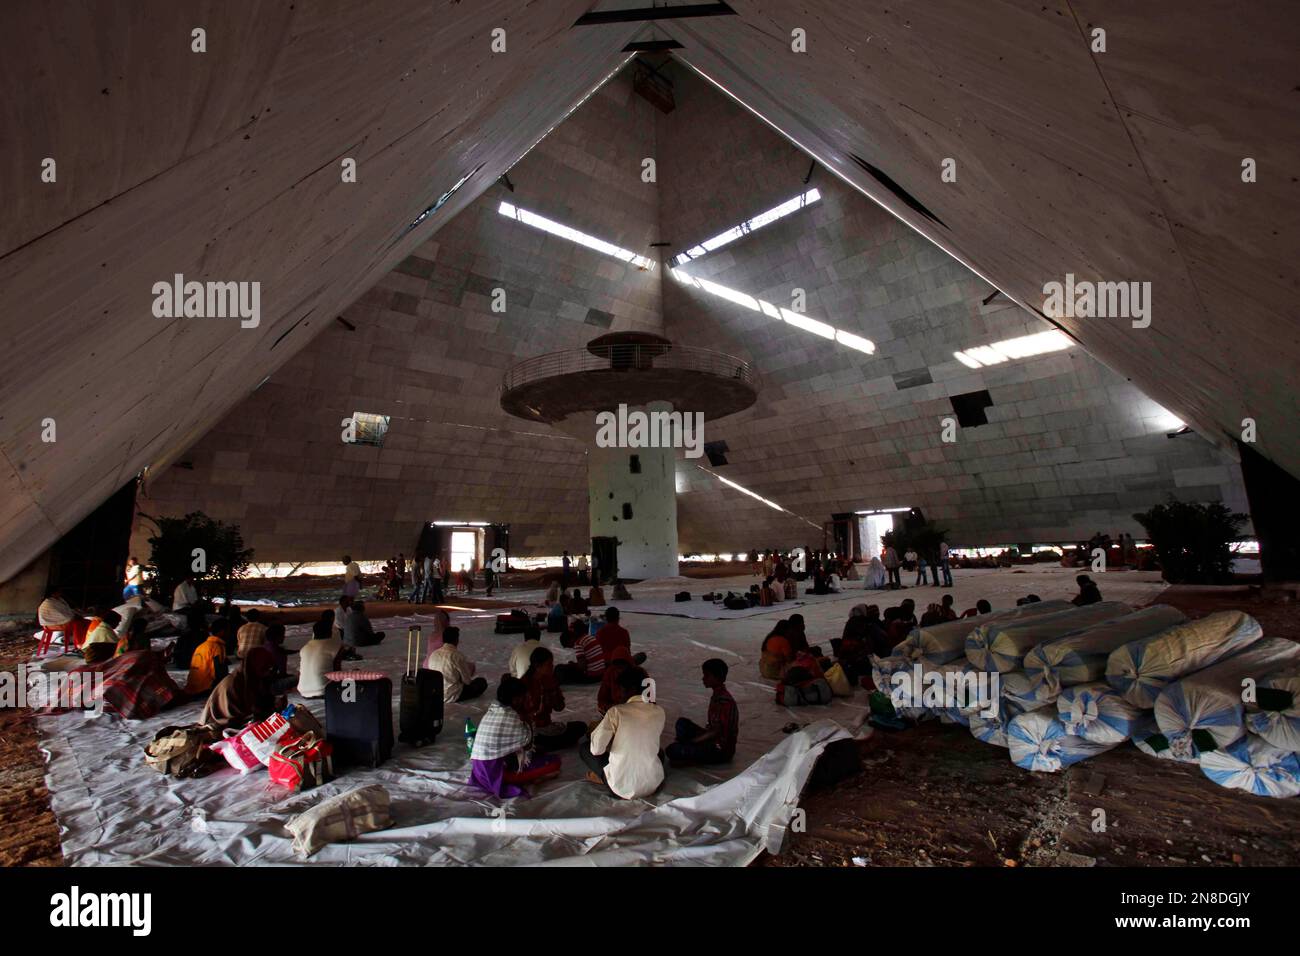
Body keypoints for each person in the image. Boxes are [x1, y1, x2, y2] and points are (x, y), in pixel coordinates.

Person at [581, 667, 666, 799]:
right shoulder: (659, 711)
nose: (619, 694)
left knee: (585, 748)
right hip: (652, 785)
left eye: (621, 689)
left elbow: (596, 750)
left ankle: (603, 777)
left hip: (620, 789)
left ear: (631, 689)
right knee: (659, 753)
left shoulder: (616, 712)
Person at [468, 678, 561, 798]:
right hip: (496, 773)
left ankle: (529, 775)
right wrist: (528, 717)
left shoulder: (494, 710)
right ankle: (528, 778)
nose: (529, 700)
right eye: (526, 697)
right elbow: (527, 745)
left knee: (541, 753)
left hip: (480, 771)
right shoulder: (511, 718)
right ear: (516, 700)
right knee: (555, 763)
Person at [667, 659, 739, 767]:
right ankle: (687, 750)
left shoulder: (724, 702)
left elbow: (716, 732)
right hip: (713, 740)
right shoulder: (717, 695)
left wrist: (692, 742)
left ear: (717, 678)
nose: (703, 679)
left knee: (672, 750)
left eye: (707, 675)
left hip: (720, 749)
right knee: (682, 723)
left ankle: (689, 754)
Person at [519, 647, 586, 751]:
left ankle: (544, 746)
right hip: (530, 731)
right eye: (549, 665)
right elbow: (519, 715)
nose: (552, 667)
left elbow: (560, 707)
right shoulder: (524, 684)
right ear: (537, 666)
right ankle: (543, 745)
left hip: (547, 728)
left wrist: (553, 694)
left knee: (581, 727)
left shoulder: (550, 680)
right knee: (533, 740)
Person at [201, 646, 283, 730]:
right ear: (257, 666)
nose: (267, 672)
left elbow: (261, 700)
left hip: (239, 719)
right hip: (221, 724)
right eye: (265, 668)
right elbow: (231, 718)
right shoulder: (233, 684)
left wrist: (275, 704)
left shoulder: (253, 677)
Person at [425, 627, 487, 702]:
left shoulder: (434, 654)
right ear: (456, 640)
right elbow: (467, 681)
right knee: (481, 682)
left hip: (437, 694)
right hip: (452, 695)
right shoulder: (457, 655)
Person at [297, 613, 344, 699]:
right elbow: (337, 670)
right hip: (324, 690)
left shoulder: (305, 648)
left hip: (303, 692)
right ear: (330, 632)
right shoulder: (332, 645)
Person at [185, 618, 231, 696]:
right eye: (228, 631)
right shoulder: (217, 646)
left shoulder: (203, 645)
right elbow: (218, 672)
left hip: (193, 686)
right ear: (222, 632)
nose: (230, 633)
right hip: (205, 687)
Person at [37, 587, 88, 655]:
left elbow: (67, 611)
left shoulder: (59, 600)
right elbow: (60, 615)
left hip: (61, 621)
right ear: (53, 594)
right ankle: (78, 645)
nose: (60, 594)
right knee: (78, 624)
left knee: (85, 622)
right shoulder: (49, 602)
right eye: (58, 592)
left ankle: (83, 643)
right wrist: (73, 616)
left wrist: (75, 613)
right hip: (52, 624)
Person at [555, 619, 606, 684]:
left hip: (591, 676)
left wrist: (573, 666)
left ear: (570, 639)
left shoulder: (578, 643)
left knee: (559, 668)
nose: (572, 647)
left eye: (569, 646)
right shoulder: (590, 637)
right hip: (601, 674)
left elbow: (582, 667)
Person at [596, 646, 635, 715]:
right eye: (617, 665)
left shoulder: (639, 674)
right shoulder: (610, 673)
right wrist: (607, 707)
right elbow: (602, 699)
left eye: (622, 664)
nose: (620, 669)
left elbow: (649, 703)